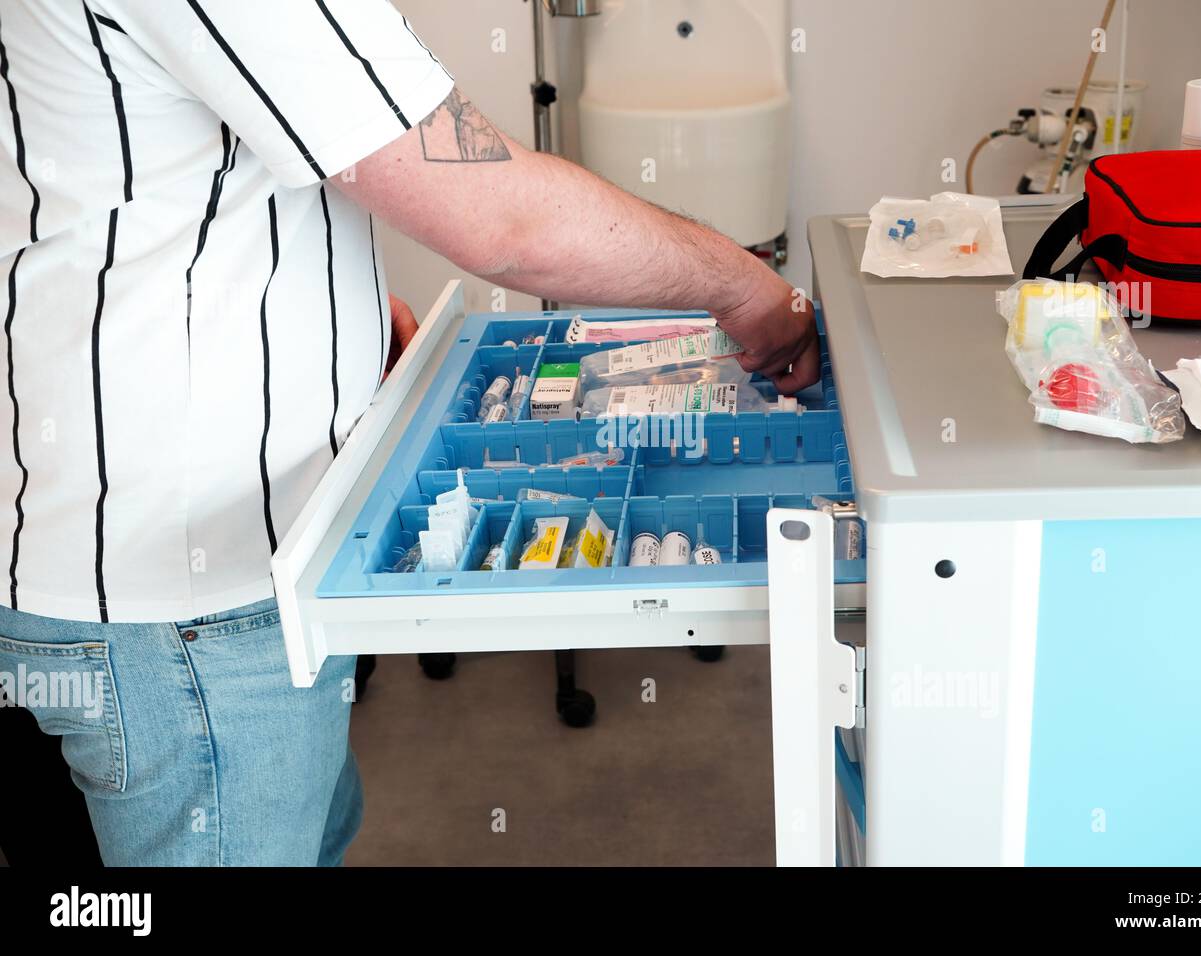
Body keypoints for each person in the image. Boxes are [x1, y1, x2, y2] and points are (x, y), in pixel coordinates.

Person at [0, 0, 817, 866]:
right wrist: (747, 287)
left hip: (183, 564)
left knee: (313, 833)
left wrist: (336, 327)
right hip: (187, 597)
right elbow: (500, 214)